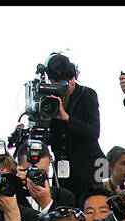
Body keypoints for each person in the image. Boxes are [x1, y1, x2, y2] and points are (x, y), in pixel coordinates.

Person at [40, 54, 102, 198]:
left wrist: (67, 118)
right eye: (60, 81)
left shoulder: (87, 94)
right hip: (61, 170)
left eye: (70, 79)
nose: (68, 84)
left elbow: (94, 132)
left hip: (90, 167)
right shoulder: (48, 99)